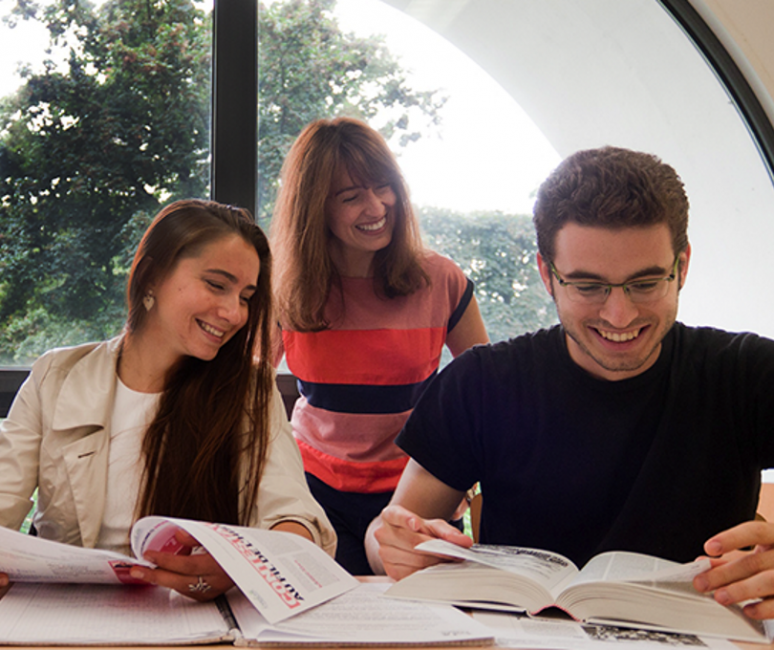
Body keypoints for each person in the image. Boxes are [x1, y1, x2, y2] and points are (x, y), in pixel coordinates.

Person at [365, 146, 774, 621]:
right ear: (547, 275)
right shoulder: (481, 383)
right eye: (588, 286)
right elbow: (389, 533)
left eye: (645, 283)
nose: (619, 315)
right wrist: (393, 546)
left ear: (681, 268)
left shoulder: (746, 373)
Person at [0, 199, 335, 600]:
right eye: (216, 284)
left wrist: (244, 562)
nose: (234, 313)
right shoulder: (55, 376)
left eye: (246, 296)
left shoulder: (247, 388)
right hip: (72, 613)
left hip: (192, 618)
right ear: (150, 276)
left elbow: (294, 515)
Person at [270, 117, 489, 574]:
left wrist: (481, 488)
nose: (376, 207)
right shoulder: (284, 287)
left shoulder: (442, 280)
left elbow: (486, 396)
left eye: (383, 188)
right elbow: (243, 392)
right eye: (352, 197)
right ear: (315, 208)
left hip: (416, 493)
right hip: (312, 491)